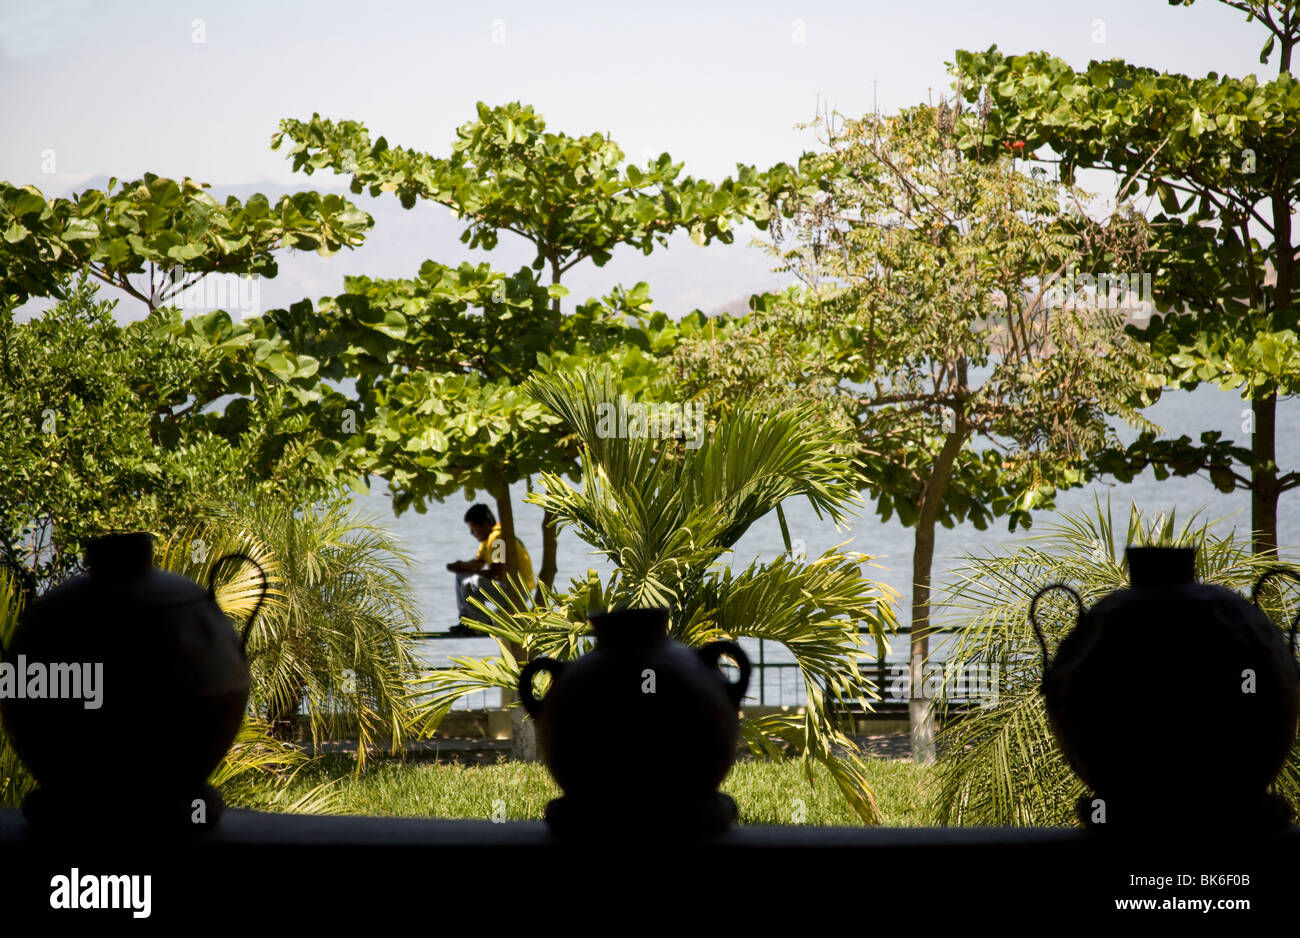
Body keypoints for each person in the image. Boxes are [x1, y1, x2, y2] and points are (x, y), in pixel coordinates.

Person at [445, 504, 536, 636]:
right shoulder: (488, 539)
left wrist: (466, 570)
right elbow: (478, 563)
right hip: (507, 588)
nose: (472, 533)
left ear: (485, 524)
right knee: (462, 576)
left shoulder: (498, 538)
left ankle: (480, 626)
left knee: (469, 583)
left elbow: (496, 574)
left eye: (473, 529)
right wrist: (461, 567)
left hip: (517, 593)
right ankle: (465, 621)